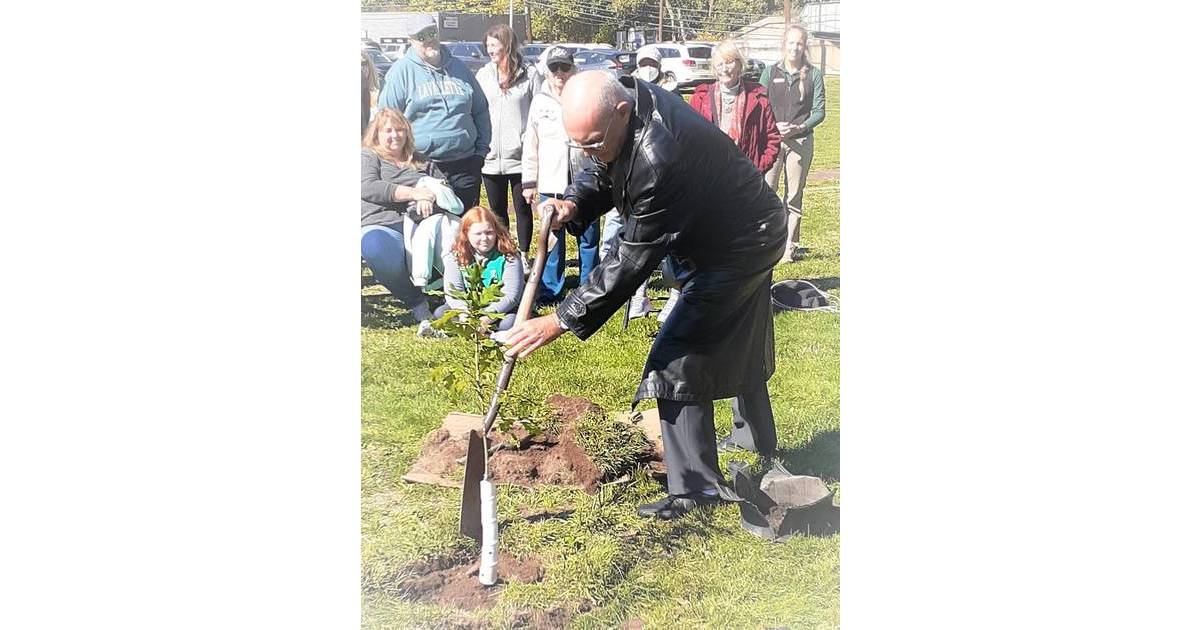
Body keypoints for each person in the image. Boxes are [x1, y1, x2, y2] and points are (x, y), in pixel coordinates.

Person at [501, 72, 787, 520]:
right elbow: (604, 166)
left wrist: (560, 319)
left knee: (677, 353)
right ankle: (756, 440)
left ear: (619, 113)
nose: (590, 152)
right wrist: (575, 202)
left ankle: (695, 489)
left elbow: (631, 260)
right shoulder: (625, 104)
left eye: (594, 140)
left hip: (743, 243)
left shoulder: (659, 155)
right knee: (737, 334)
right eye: (582, 144)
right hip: (732, 229)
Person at [378, 15, 491, 209]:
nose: (428, 38)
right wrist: (400, 162)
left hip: (465, 164)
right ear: (411, 40)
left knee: (465, 231)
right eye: (421, 36)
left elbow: (481, 110)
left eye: (431, 32)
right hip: (422, 167)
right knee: (431, 228)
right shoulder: (401, 73)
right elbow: (386, 121)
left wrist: (480, 153)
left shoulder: (459, 68)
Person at [361, 108, 459, 323]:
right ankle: (416, 301)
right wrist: (413, 193)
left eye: (399, 130)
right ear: (376, 133)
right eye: (388, 131)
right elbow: (368, 186)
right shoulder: (368, 156)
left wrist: (429, 196)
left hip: (423, 224)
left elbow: (445, 189)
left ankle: (452, 299)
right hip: (382, 223)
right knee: (375, 246)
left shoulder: (421, 160)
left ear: (407, 133)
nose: (394, 135)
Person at [520, 47, 601, 305]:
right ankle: (551, 289)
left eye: (564, 67)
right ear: (547, 70)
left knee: (588, 237)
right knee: (553, 238)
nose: (559, 74)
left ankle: (588, 287)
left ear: (572, 68)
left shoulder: (583, 96)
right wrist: (529, 182)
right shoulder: (539, 101)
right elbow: (530, 144)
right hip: (550, 180)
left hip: (582, 178)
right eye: (554, 68)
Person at [761, 24, 826, 264]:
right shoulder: (770, 72)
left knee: (794, 196)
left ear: (804, 46)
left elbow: (820, 111)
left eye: (799, 43)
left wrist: (801, 127)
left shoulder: (814, 75)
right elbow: (761, 106)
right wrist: (773, 127)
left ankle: (789, 246)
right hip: (773, 142)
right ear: (784, 44)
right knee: (767, 193)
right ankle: (768, 242)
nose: (795, 47)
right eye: (791, 42)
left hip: (800, 142)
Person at [477, 24, 540, 269]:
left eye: (494, 45)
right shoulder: (484, 75)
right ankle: (505, 255)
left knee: (522, 209)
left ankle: (523, 256)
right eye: (488, 45)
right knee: (497, 210)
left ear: (507, 44)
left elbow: (537, 111)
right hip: (491, 156)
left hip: (521, 156)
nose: (490, 50)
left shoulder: (530, 75)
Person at [428, 206, 524, 336]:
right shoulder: (456, 255)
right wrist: (464, 314)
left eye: (489, 232)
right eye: (478, 234)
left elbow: (511, 295)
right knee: (441, 313)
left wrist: (487, 317)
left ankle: (483, 331)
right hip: (469, 309)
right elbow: (452, 291)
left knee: (509, 323)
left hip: (499, 309)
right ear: (466, 234)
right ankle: (469, 329)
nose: (484, 238)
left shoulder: (509, 256)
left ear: (496, 231)